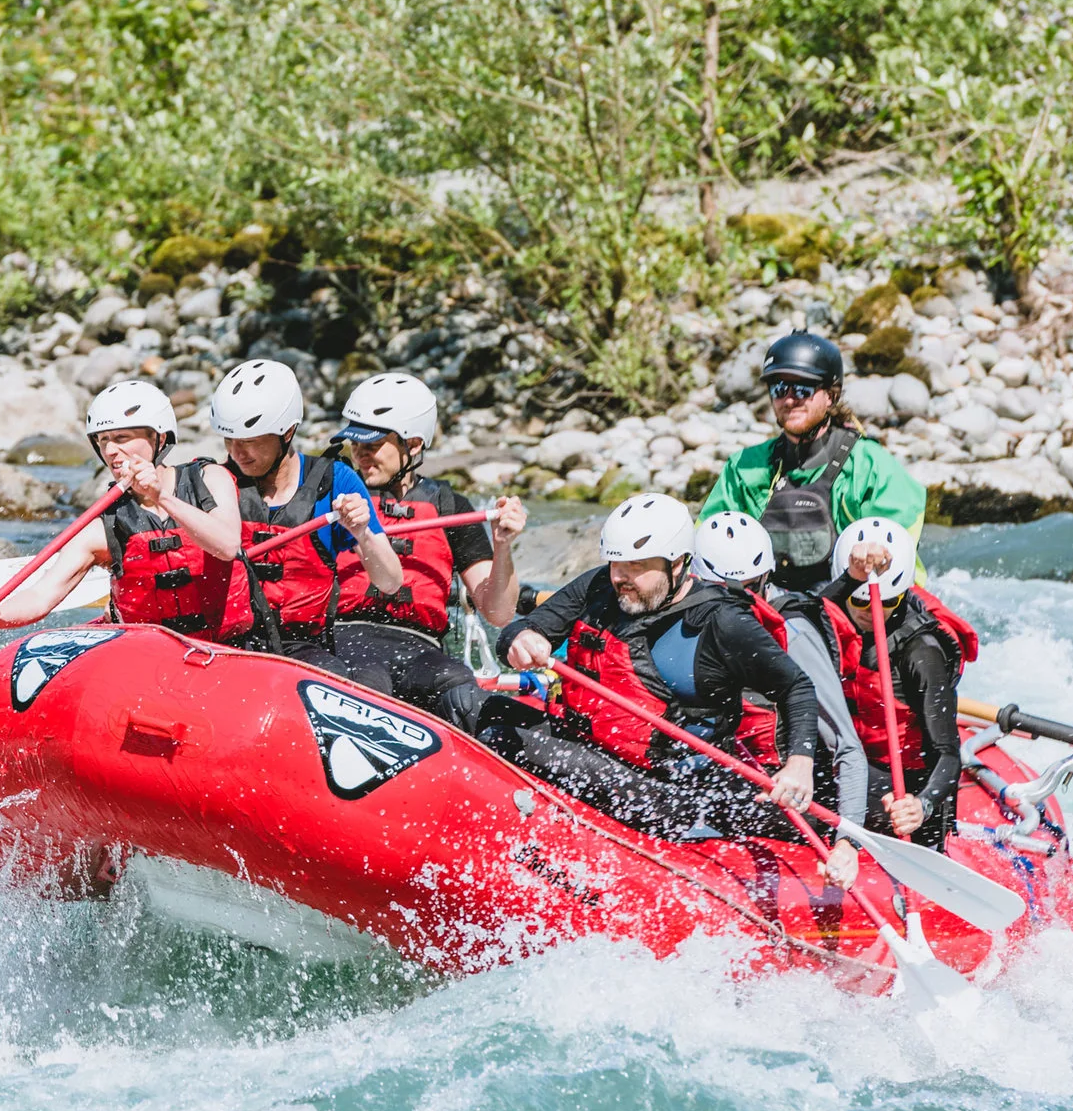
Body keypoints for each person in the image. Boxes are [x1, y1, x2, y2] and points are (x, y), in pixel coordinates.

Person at [487, 494, 819, 842]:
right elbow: (516, 629)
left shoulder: (722, 621)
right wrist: (520, 639)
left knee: (500, 740)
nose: (621, 577)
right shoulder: (601, 585)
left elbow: (796, 687)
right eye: (617, 563)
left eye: (637, 566)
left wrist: (799, 764)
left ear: (677, 564)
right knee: (465, 704)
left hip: (667, 790)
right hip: (585, 743)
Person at [319, 372, 528, 728]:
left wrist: (503, 546)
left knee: (461, 691)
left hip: (420, 648)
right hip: (347, 637)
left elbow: (498, 613)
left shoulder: (449, 506)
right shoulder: (330, 496)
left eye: (372, 445)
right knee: (367, 687)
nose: (360, 454)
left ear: (413, 444)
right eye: (355, 444)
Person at [0, 379, 244, 632]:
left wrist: (162, 498)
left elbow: (227, 545)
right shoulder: (102, 526)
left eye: (122, 438)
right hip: (151, 660)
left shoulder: (209, 478)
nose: (110, 451)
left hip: (229, 648)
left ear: (161, 438)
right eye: (103, 440)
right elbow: (42, 595)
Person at [690, 511, 866, 887]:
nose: (733, 606)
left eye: (748, 590)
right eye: (720, 592)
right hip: (723, 770)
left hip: (789, 794)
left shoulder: (793, 635)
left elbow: (848, 749)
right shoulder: (687, 613)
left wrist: (848, 843)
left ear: (766, 578)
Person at [697, 331, 927, 593]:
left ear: (830, 396)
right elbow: (705, 545)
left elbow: (898, 554)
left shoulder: (870, 464)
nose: (790, 399)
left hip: (849, 604)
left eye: (803, 389)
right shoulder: (745, 467)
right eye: (780, 388)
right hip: (764, 607)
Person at [208, 358, 405, 652]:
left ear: (287, 432)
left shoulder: (336, 480)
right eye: (229, 439)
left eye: (249, 440)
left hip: (304, 648)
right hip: (230, 647)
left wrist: (362, 532)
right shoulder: (215, 479)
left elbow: (390, 582)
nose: (237, 453)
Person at [817, 516, 977, 850]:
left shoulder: (921, 653)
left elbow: (947, 754)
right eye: (858, 600)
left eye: (891, 601)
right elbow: (798, 615)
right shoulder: (827, 625)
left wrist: (923, 805)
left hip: (906, 788)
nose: (870, 610)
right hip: (848, 766)